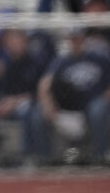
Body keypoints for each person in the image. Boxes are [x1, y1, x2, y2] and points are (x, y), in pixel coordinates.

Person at [34, 28, 110, 163]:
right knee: (38, 114)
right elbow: (44, 84)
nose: (75, 42)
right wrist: (48, 104)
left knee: (97, 109)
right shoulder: (61, 61)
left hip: (93, 102)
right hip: (68, 106)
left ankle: (100, 156)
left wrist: (105, 97)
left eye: (78, 39)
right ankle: (44, 158)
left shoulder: (100, 58)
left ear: (84, 40)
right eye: (72, 39)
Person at [0, 27, 42, 167]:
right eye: (9, 41)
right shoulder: (3, 62)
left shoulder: (34, 62)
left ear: (25, 42)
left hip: (27, 105)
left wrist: (15, 101)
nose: (12, 44)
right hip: (4, 105)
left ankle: (27, 157)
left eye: (16, 40)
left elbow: (37, 93)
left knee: (26, 111)